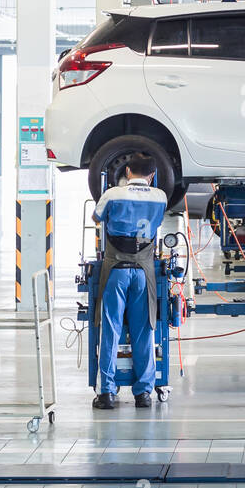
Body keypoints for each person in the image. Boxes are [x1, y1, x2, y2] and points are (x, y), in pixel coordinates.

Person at [90, 153, 167, 410]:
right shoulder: (160, 197)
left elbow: (96, 218)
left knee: (110, 329)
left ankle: (107, 393)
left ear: (128, 171)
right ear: (152, 175)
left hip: (116, 270)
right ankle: (144, 394)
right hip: (144, 273)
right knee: (144, 331)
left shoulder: (113, 194)